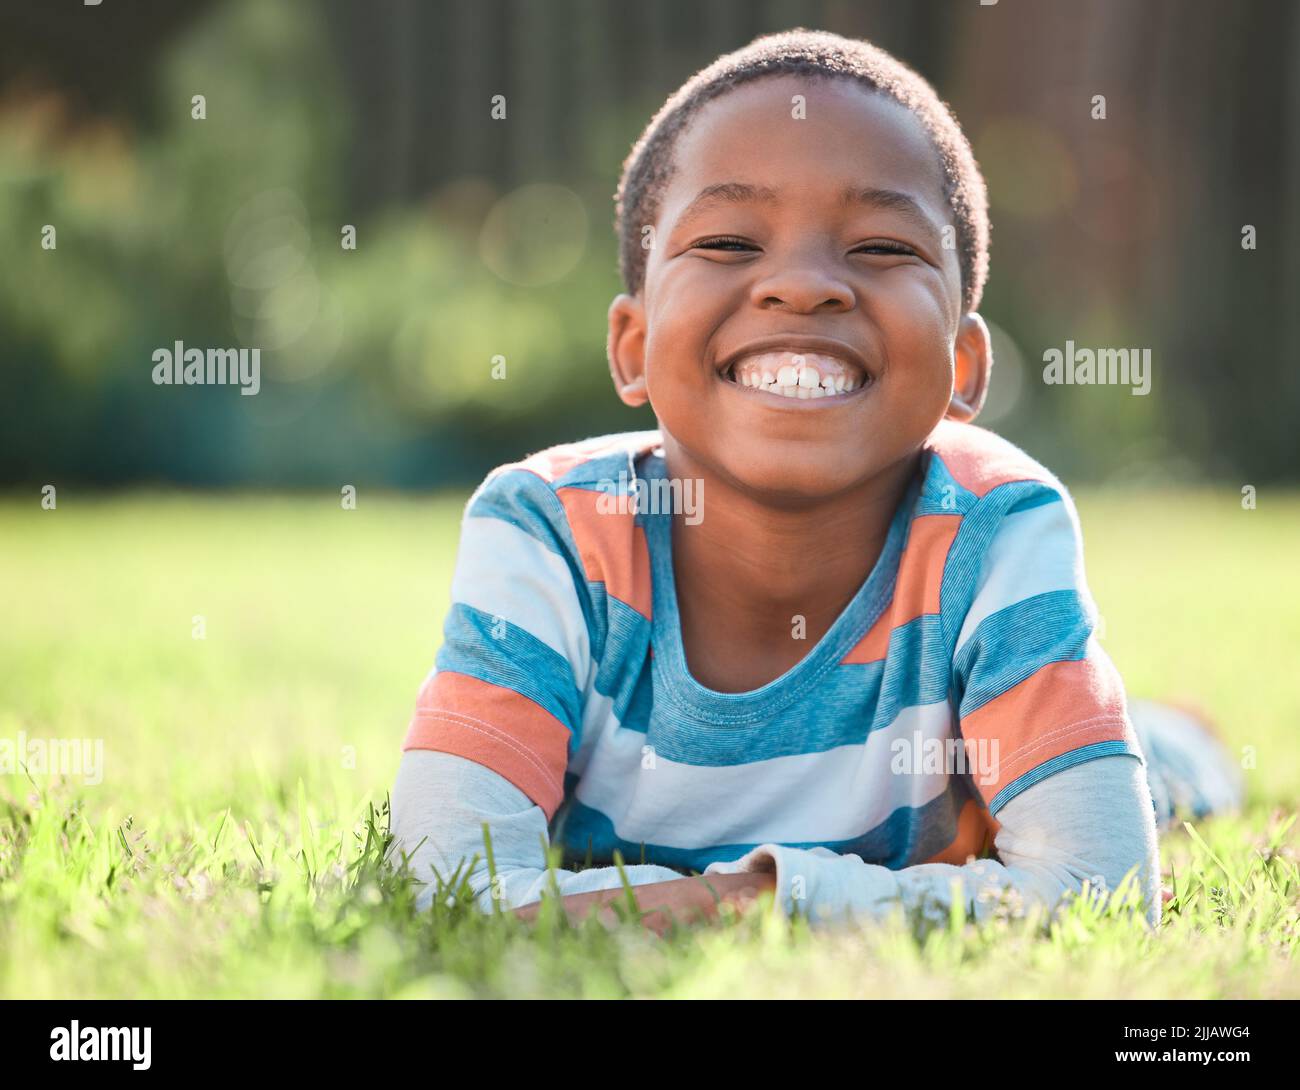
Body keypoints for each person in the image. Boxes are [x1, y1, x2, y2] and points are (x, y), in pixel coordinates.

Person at [389, 29, 1242, 933]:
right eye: (725, 240)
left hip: (1004, 770)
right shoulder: (549, 535)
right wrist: (753, 901)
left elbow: (1100, 893)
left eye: (879, 246)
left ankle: (1171, 741)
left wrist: (758, 899)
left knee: (1167, 780)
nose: (802, 286)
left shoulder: (995, 526)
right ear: (632, 349)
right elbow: (440, 888)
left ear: (962, 365)